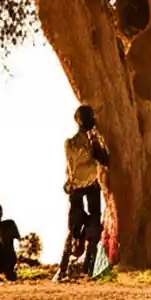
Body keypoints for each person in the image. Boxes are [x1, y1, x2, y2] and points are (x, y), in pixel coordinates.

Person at [57, 105, 109, 281]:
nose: (89, 120)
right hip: (77, 188)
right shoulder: (71, 143)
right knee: (74, 227)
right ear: (78, 120)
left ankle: (89, 269)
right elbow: (71, 167)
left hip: (92, 186)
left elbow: (104, 160)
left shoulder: (94, 141)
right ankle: (63, 269)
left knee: (93, 226)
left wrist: (96, 144)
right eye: (86, 117)